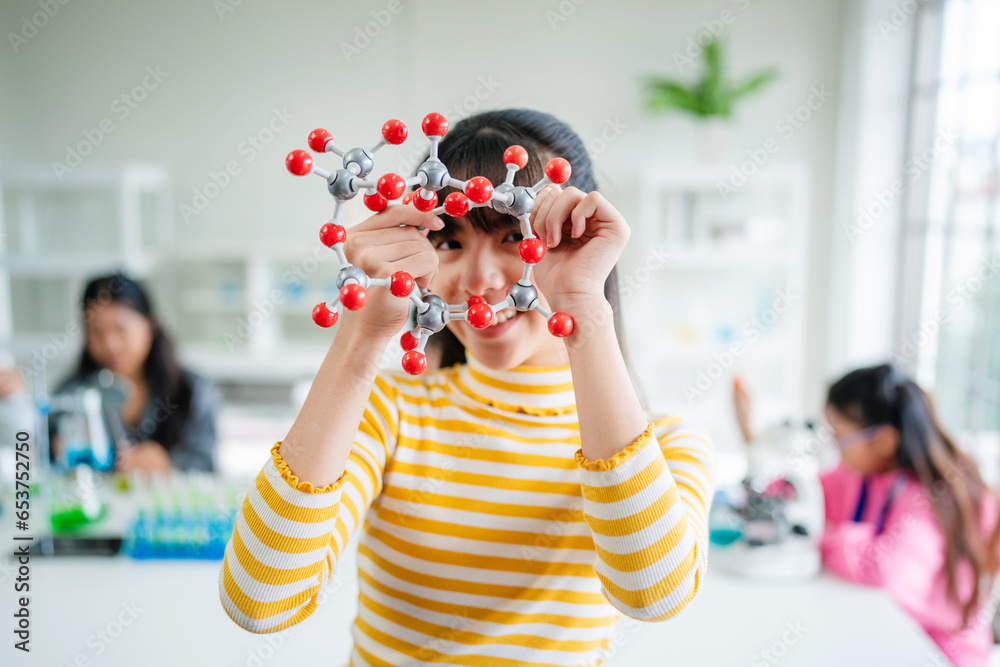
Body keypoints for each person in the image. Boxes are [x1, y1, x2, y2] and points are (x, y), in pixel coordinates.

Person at [218, 109, 715, 665]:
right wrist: (362, 339)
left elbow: (654, 594)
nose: (478, 281)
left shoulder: (666, 445)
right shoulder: (390, 411)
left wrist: (583, 309)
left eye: (513, 235)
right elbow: (260, 600)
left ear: (579, 241)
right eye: (450, 242)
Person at [735, 366, 1000, 667]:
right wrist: (753, 440)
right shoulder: (858, 474)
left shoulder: (934, 496)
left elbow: (886, 572)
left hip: (938, 651)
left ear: (884, 440)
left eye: (840, 439)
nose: (835, 448)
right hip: (885, 634)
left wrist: (831, 534)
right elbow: (791, 496)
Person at [53, 271, 220, 474]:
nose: (109, 344)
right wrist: (58, 453)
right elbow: (42, 460)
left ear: (151, 324)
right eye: (96, 332)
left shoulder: (193, 391)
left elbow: (207, 466)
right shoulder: (71, 396)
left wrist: (169, 465)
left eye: (120, 329)